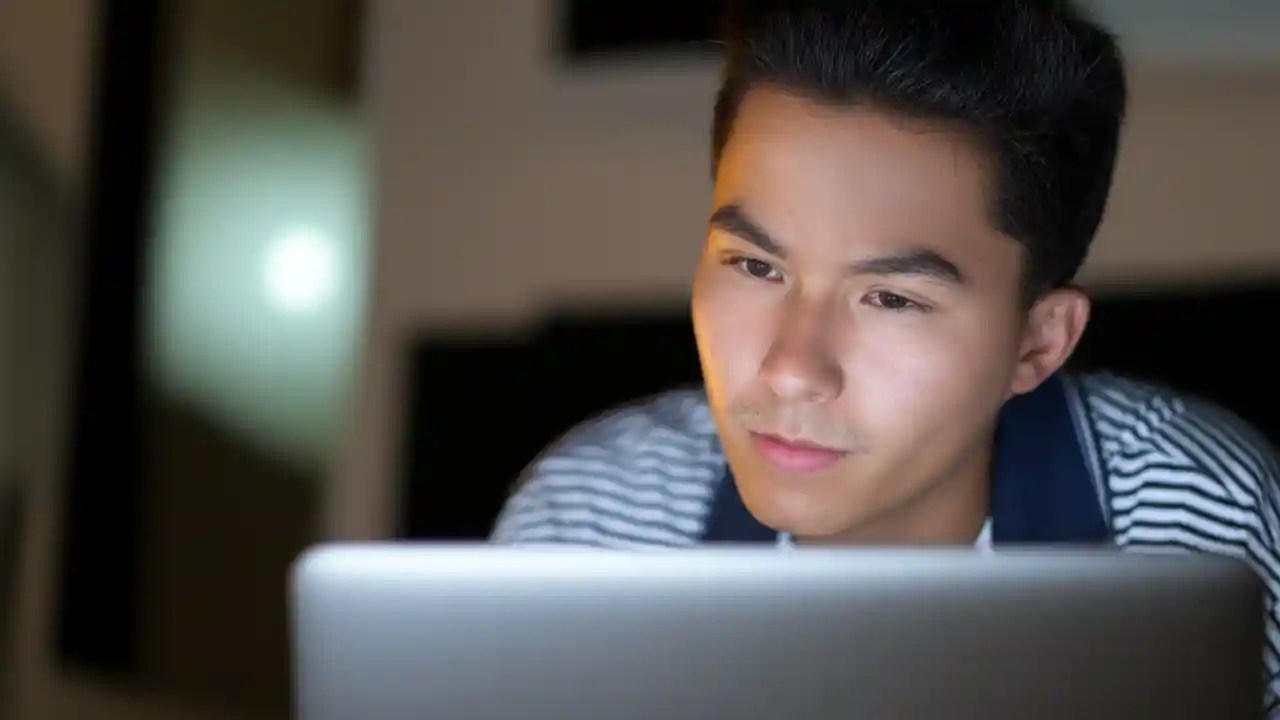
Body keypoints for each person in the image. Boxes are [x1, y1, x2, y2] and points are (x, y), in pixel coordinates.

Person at [489, 0, 1280, 712]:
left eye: (892, 299)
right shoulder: (600, 527)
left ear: (1038, 341)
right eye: (756, 266)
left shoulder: (1192, 519)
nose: (792, 369)